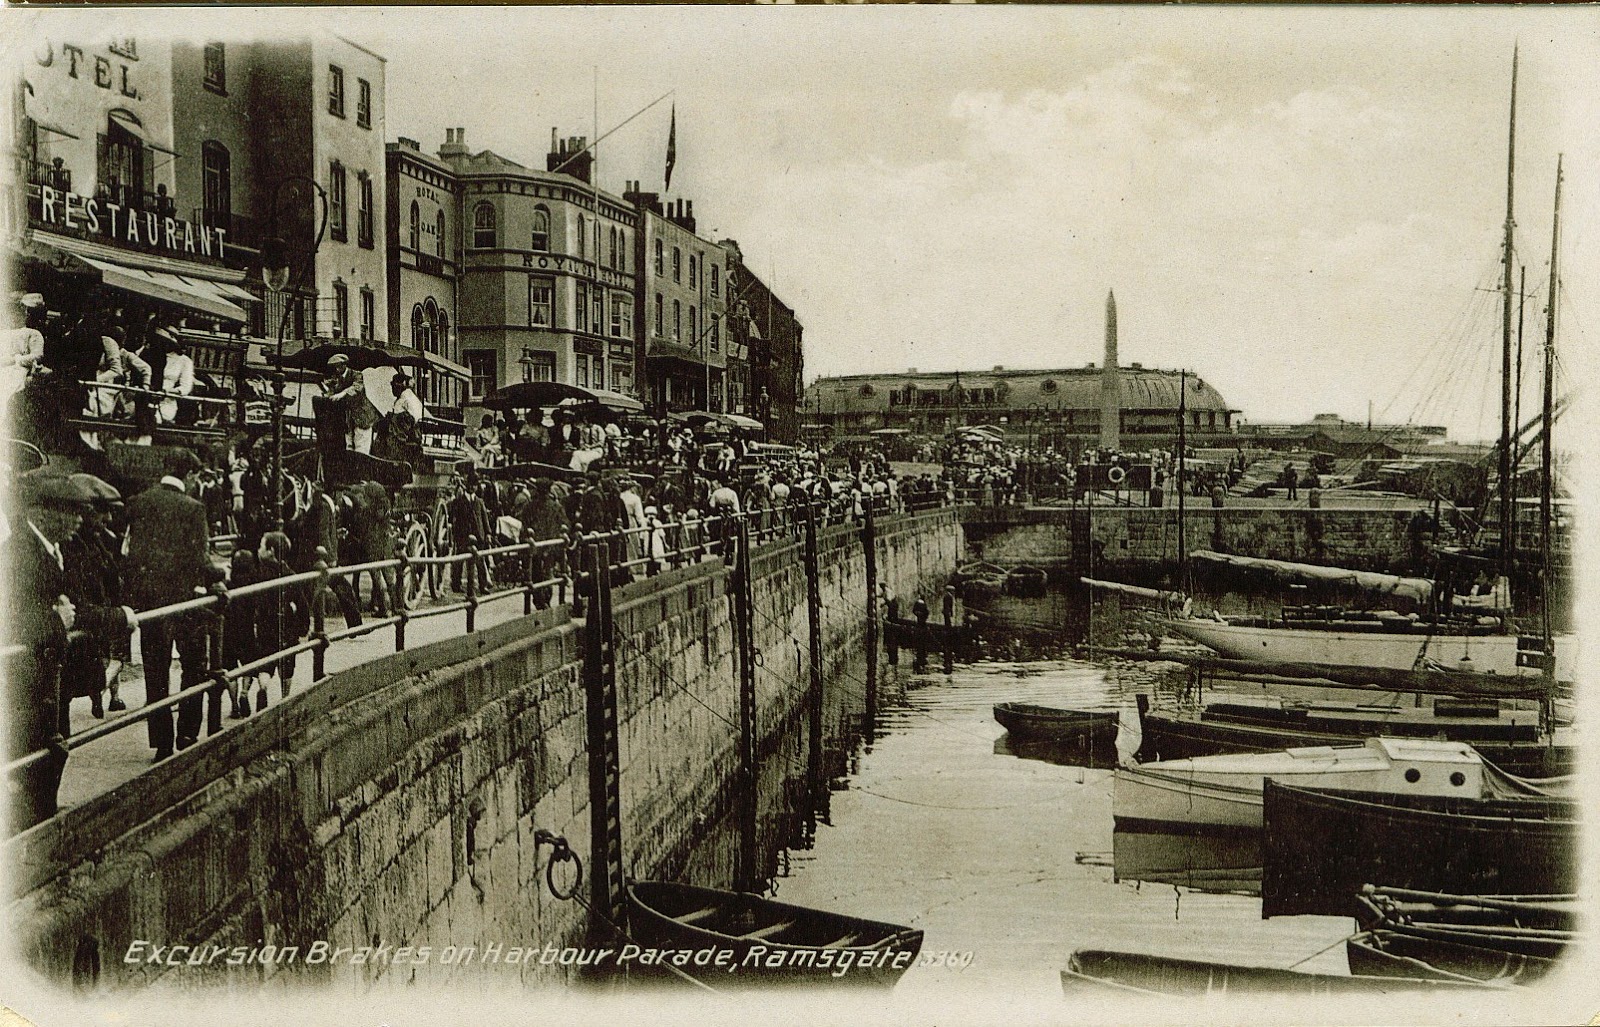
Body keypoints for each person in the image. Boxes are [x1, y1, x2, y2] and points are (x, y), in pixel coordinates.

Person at [4, 472, 135, 828]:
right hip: (26, 685)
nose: (79, 518)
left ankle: (42, 823)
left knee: (53, 755)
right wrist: (55, 620)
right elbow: (10, 617)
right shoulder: (18, 551)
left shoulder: (54, 550)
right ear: (43, 512)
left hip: (49, 682)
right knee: (31, 766)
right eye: (71, 511)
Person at [125, 474, 218, 759]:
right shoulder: (193, 508)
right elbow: (200, 558)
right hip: (185, 604)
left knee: (156, 672)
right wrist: (219, 576)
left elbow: (129, 553)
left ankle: (162, 744)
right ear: (188, 476)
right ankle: (187, 735)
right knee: (194, 666)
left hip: (152, 604)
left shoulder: (137, 503)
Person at [321, 353, 378, 455]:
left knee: (361, 448)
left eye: (338, 366)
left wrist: (342, 394)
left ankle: (361, 468)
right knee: (349, 446)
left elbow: (357, 387)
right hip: (348, 418)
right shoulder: (337, 378)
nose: (336, 369)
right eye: (334, 367)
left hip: (362, 417)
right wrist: (328, 392)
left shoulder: (357, 375)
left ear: (344, 365)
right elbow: (332, 391)